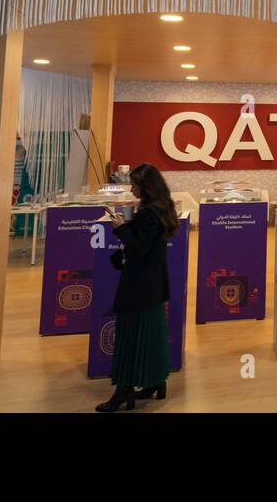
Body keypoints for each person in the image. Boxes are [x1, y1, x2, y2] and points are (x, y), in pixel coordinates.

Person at [96, 163, 181, 412]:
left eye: (133, 184)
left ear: (145, 187)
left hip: (139, 285)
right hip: (153, 284)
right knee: (150, 334)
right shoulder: (162, 208)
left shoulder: (148, 213)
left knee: (130, 337)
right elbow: (149, 240)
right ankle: (156, 381)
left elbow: (140, 248)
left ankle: (123, 391)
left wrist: (120, 228)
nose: (130, 188)